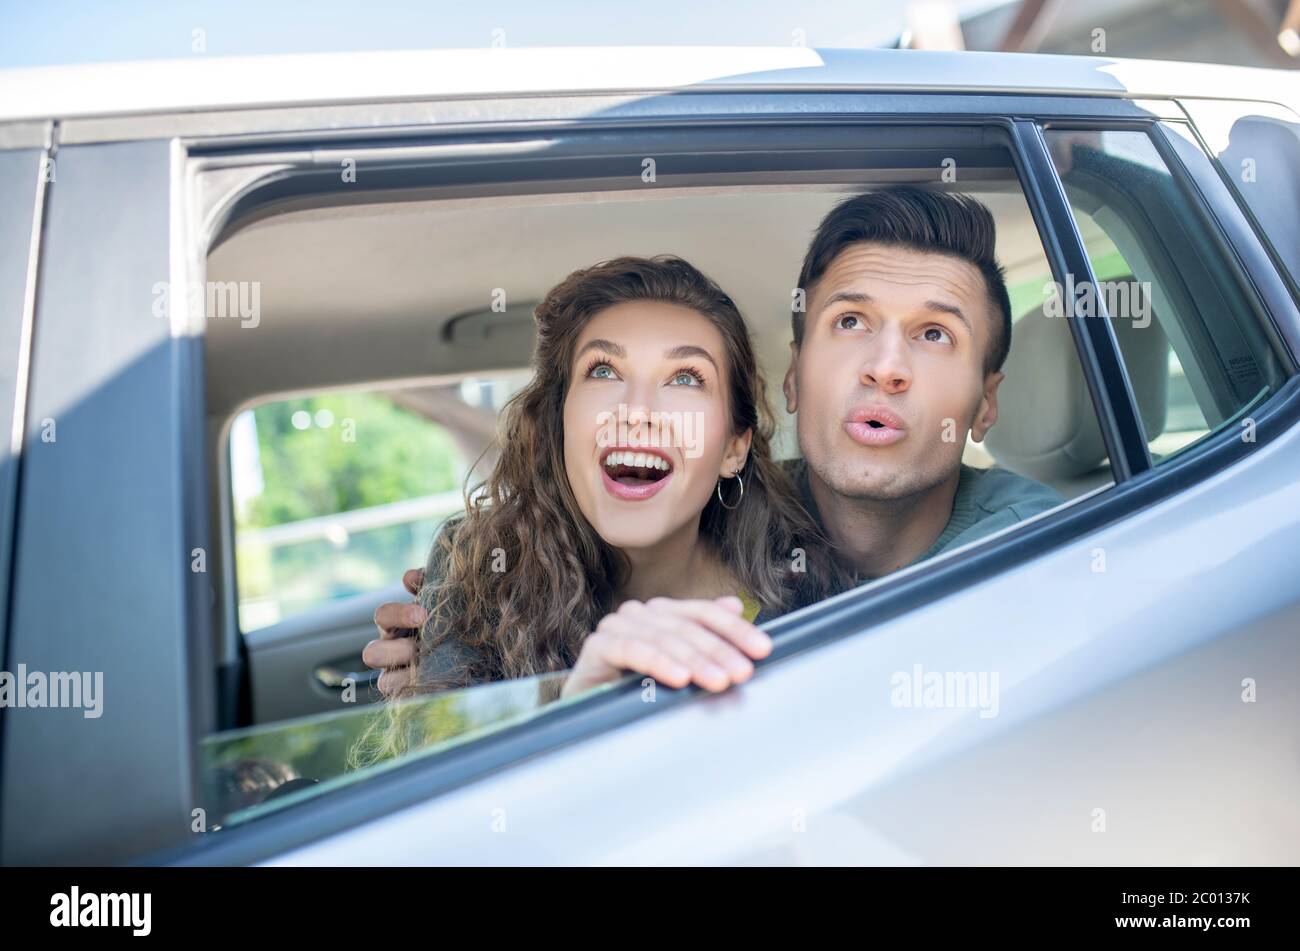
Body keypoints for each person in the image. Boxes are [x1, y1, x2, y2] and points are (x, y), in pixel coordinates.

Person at [367, 186, 1063, 696]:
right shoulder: (481, 563)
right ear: (793, 381)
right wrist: (448, 699)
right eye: (850, 322)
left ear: (985, 402)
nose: (885, 366)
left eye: (934, 334)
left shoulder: (1045, 556)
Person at [386, 255, 847, 702]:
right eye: (603, 371)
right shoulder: (477, 571)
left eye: (686, 378)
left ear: (734, 448)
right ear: (560, 423)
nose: (637, 411)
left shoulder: (811, 600)